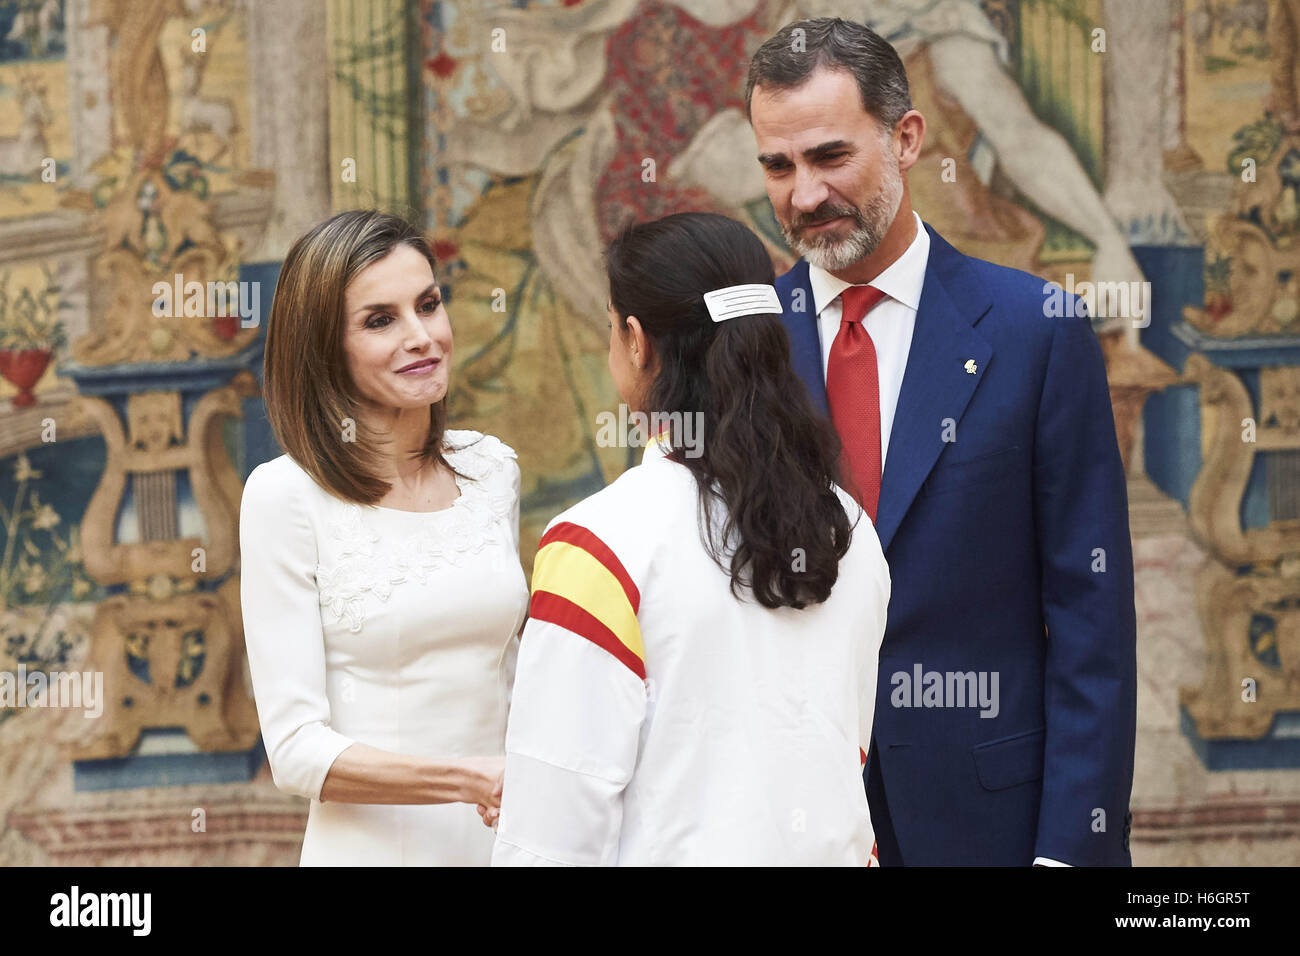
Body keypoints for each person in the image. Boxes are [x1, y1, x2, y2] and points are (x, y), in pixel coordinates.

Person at [747, 17, 1137, 866]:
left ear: (907, 138)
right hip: (792, 825)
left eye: (829, 156)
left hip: (996, 829)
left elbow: (1090, 621)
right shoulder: (744, 346)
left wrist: (1070, 852)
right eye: (778, 166)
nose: (803, 195)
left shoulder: (1038, 332)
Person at [485, 212, 890, 865]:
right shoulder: (849, 529)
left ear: (637, 340)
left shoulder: (598, 545)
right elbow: (845, 753)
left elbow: (551, 836)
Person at [239, 209, 527, 866]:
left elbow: (507, 677)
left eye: (429, 304)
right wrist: (469, 781)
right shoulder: (284, 497)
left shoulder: (491, 470)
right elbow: (295, 751)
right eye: (380, 320)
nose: (422, 336)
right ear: (324, 347)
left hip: (505, 847)